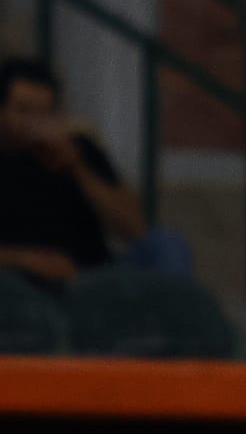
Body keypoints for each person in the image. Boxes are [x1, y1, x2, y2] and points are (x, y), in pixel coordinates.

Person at [0, 58, 185, 284]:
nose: (34, 122)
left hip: (96, 273)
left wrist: (78, 167)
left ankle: (180, 315)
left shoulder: (79, 148)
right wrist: (26, 260)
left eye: (45, 112)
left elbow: (135, 228)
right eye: (23, 111)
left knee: (167, 244)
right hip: (20, 279)